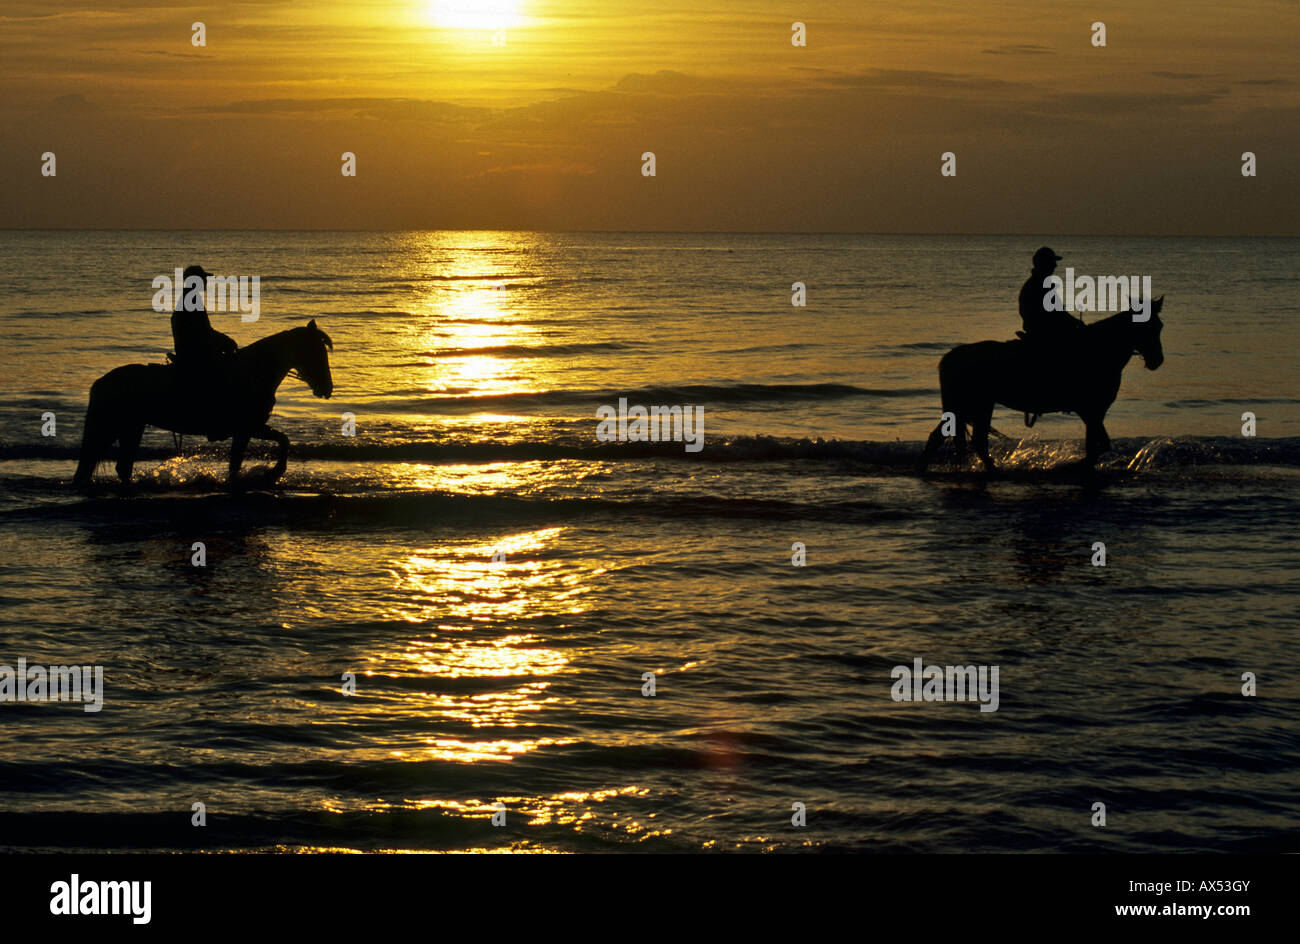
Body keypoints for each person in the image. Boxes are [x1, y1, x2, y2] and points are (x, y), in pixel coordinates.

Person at [170, 264, 238, 424]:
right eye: (203, 279)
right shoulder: (191, 299)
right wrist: (226, 341)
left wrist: (221, 340)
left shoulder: (189, 297)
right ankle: (216, 418)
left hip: (191, 350)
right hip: (194, 354)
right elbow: (203, 331)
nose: (206, 282)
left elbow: (203, 330)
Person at [1018, 246, 1082, 343]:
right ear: (1045, 263)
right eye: (1052, 262)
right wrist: (1077, 323)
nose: (1055, 265)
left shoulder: (1038, 283)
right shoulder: (1040, 285)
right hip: (1046, 334)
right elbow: (1058, 314)